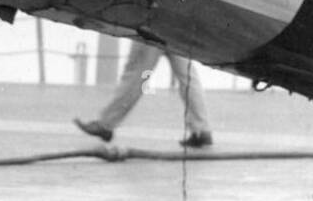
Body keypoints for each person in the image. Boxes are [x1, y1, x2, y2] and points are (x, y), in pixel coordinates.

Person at [75, 40, 213, 147]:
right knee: (187, 75)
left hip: (152, 21)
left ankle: (106, 124)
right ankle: (201, 129)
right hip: (176, 22)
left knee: (137, 74)